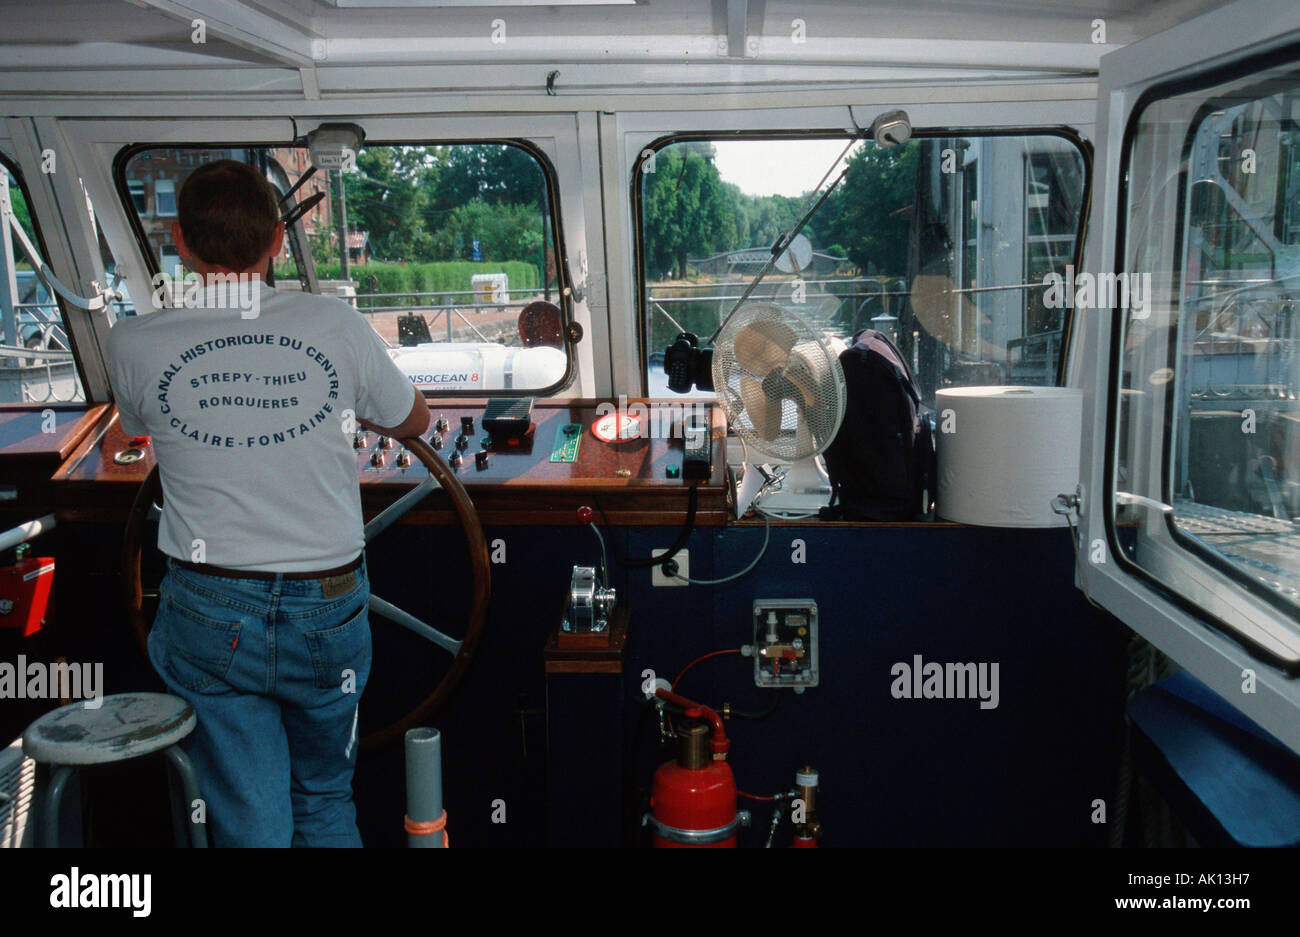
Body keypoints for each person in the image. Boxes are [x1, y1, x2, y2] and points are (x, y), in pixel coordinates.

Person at [106, 159, 429, 847]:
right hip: (328, 607)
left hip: (209, 608)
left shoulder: (131, 341)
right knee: (324, 796)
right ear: (279, 239)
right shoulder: (336, 324)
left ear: (179, 241)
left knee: (249, 815)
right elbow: (415, 420)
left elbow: (138, 426)